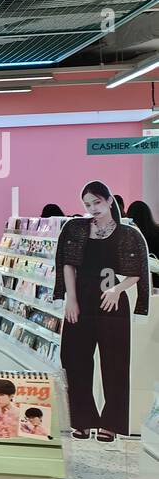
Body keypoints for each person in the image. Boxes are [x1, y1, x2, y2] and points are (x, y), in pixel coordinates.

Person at [55, 180, 149, 441]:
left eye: (97, 202)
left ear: (109, 201)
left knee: (115, 364)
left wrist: (117, 290)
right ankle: (82, 420)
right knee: (74, 360)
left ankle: (111, 423)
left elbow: (137, 272)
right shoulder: (75, 228)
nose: (92, 208)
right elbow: (67, 265)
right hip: (81, 300)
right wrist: (70, 299)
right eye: (87, 204)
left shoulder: (126, 233)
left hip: (112, 301)